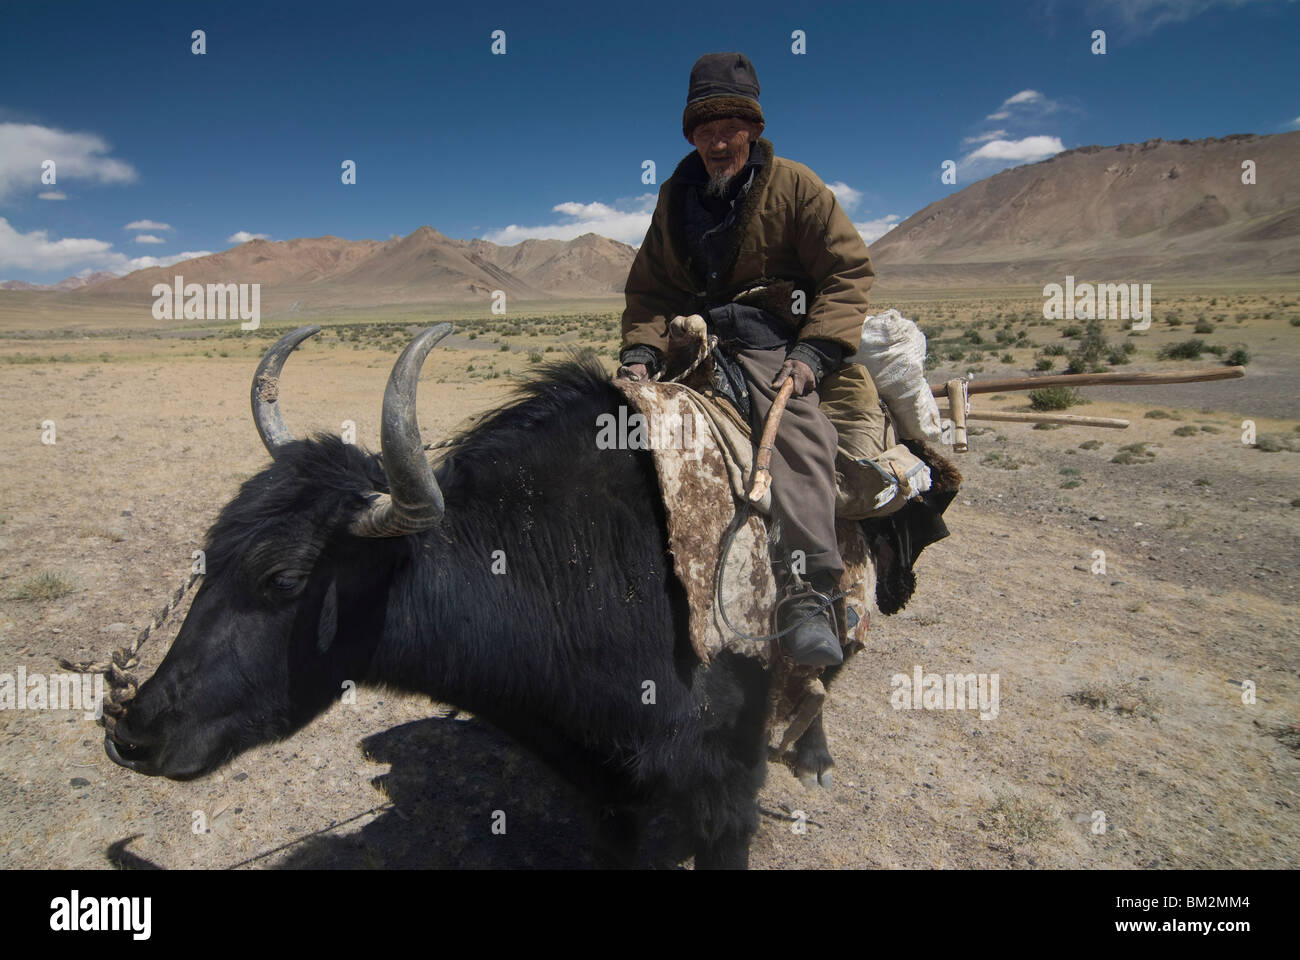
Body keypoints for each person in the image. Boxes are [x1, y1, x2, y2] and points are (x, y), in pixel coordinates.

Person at [616, 52, 877, 667]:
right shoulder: (674, 197)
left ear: (753, 128)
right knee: (615, 427)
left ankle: (812, 592)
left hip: (769, 342)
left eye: (729, 125)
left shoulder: (795, 186)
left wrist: (813, 350)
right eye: (703, 128)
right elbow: (650, 290)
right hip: (689, 342)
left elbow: (846, 272)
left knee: (800, 435)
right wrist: (639, 354)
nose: (716, 139)